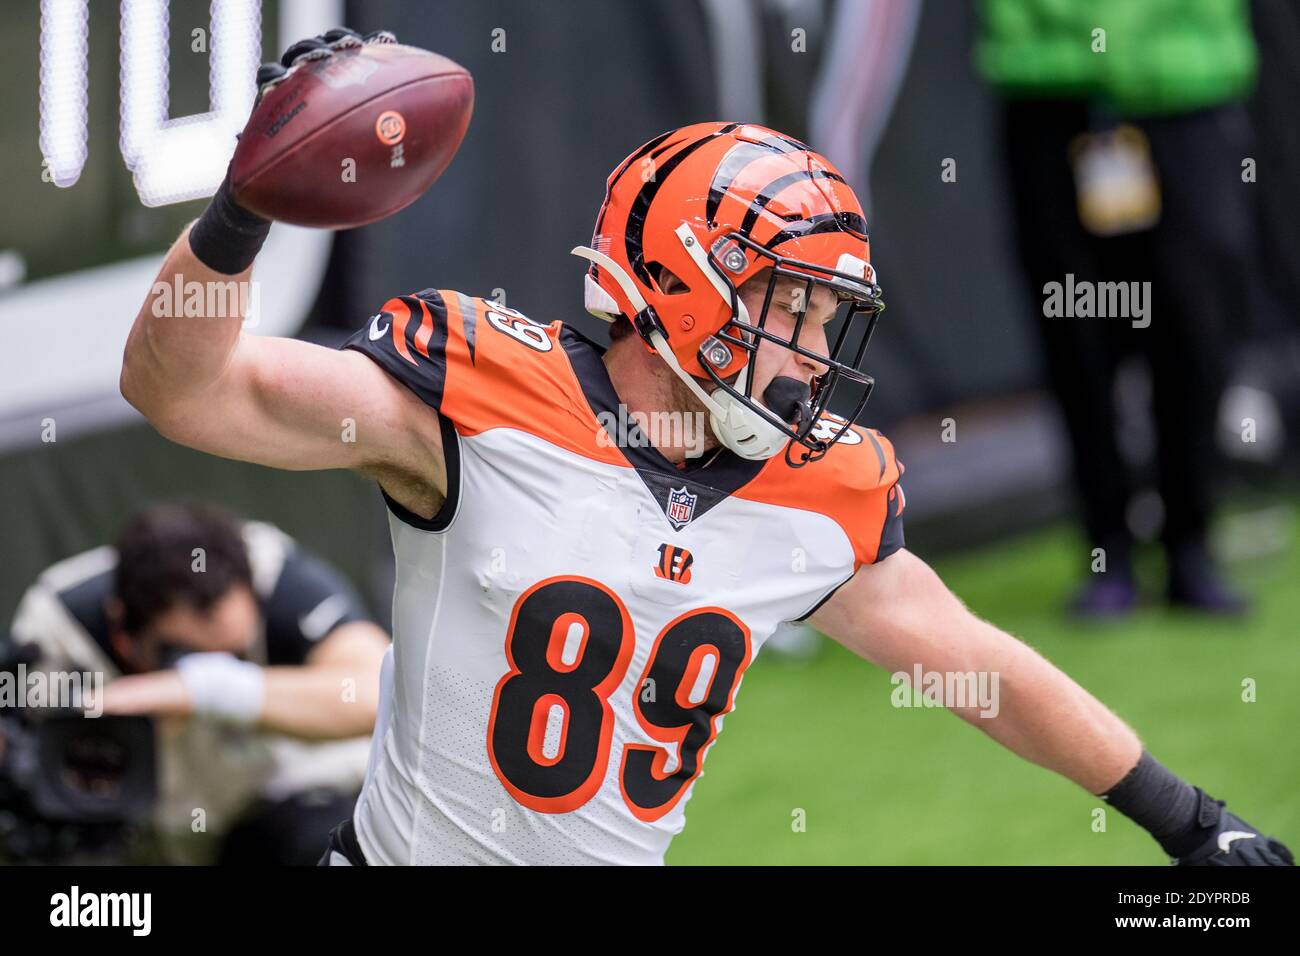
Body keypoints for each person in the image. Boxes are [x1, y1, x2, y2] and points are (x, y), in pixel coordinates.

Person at [119, 30, 1292, 866]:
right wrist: (238, 218)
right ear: (684, 283)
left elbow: (979, 669)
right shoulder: (478, 396)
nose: (818, 345)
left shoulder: (814, 494)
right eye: (796, 305)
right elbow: (187, 395)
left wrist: (1186, 821)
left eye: (831, 315)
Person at [978, 0, 1258, 616]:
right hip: (1052, 103)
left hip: (1186, 99)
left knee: (1195, 330)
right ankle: (1108, 552)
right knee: (1075, 335)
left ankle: (1192, 546)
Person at [6, 500, 389, 864]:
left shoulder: (274, 573)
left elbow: (379, 693)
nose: (213, 666)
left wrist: (206, 689)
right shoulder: (59, 633)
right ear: (123, 633)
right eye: (187, 657)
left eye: (233, 655)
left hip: (291, 804)